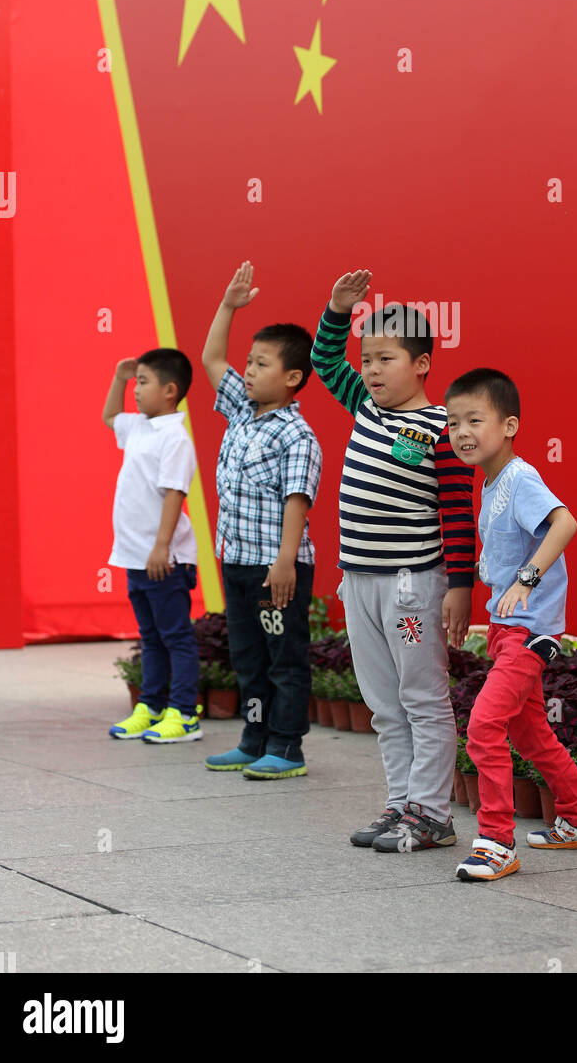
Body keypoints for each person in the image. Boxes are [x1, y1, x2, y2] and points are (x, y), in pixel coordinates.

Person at [310, 269, 476, 851]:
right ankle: (400, 804)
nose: (372, 370)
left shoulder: (440, 431)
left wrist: (460, 586)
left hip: (413, 586)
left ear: (423, 364)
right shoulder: (367, 409)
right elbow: (325, 363)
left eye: (386, 358)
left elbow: (458, 514)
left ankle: (433, 813)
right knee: (384, 705)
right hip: (358, 581)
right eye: (368, 358)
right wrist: (336, 310)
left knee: (424, 700)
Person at [444, 368, 577, 881]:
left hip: (529, 632)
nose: (462, 432)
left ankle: (496, 841)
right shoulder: (491, 482)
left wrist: (527, 579)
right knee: (532, 732)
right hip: (506, 629)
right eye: (453, 423)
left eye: (475, 419)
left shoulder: (519, 478)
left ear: (509, 424)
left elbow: (566, 522)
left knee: (483, 726)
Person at [201, 262, 322, 780]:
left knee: (283, 658)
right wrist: (228, 305)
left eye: (261, 364)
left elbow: (297, 501)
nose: (247, 371)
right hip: (238, 563)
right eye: (248, 362)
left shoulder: (297, 435)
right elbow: (209, 358)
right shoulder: (241, 412)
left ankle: (287, 747)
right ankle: (254, 739)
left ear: (292, 378)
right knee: (249, 658)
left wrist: (285, 563)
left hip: (277, 569)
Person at [104, 349, 202, 744]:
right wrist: (119, 377)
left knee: (175, 636)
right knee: (150, 636)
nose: (136, 391)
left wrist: (162, 546)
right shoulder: (139, 426)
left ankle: (184, 714)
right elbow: (109, 418)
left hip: (163, 558)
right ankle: (152, 706)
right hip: (134, 556)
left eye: (143, 383)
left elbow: (175, 493)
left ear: (170, 390)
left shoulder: (174, 437)